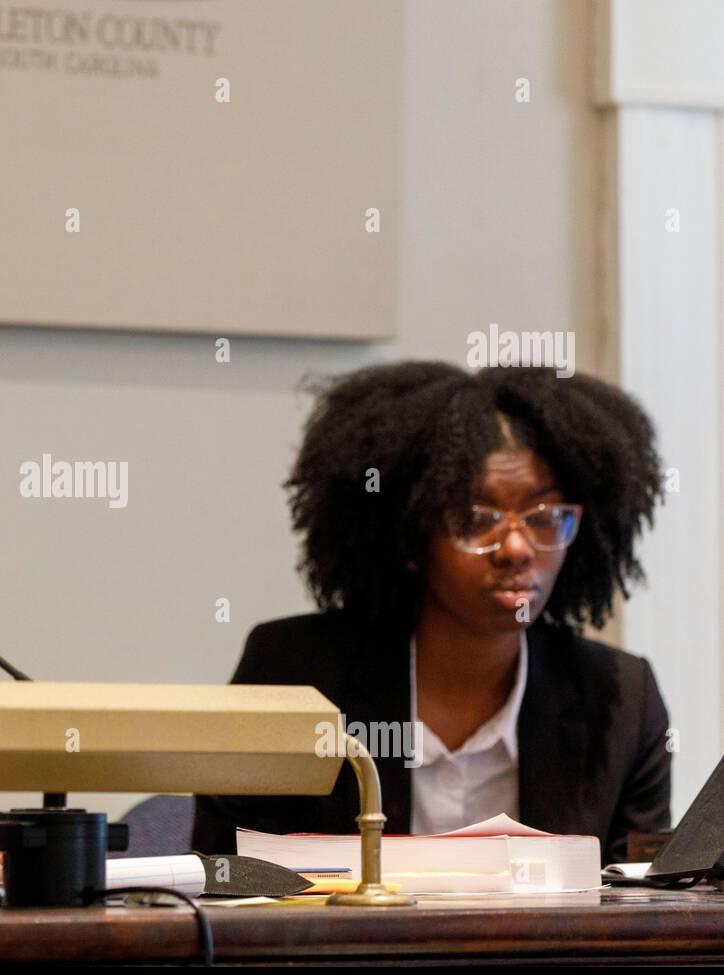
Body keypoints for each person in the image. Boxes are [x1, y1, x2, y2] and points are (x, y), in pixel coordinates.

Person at [193, 362, 670, 863]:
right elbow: (228, 881)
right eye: (475, 518)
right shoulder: (294, 676)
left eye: (545, 517)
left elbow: (642, 909)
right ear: (412, 537)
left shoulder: (619, 703)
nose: (515, 547)